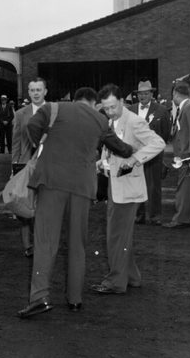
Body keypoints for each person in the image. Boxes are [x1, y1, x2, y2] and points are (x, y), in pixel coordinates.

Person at [16, 88, 134, 317]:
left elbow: (30, 126)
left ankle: (40, 297)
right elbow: (119, 147)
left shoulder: (53, 108)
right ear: (93, 102)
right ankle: (75, 300)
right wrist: (135, 149)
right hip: (82, 186)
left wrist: (42, 144)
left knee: (45, 242)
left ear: (74, 98)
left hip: (51, 182)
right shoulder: (100, 119)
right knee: (77, 243)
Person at [89, 85, 165, 295]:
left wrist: (134, 159)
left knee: (115, 236)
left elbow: (158, 143)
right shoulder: (112, 121)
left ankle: (115, 282)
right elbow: (111, 149)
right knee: (121, 236)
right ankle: (132, 277)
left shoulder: (134, 121)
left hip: (128, 187)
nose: (110, 111)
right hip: (116, 185)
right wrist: (101, 162)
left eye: (113, 106)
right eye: (106, 108)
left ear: (122, 101)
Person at [12, 78, 48, 257]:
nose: (35, 93)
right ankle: (29, 245)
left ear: (45, 91)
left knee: (46, 205)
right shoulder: (20, 114)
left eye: (39, 90)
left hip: (49, 165)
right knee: (26, 205)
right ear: (28, 92)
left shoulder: (55, 112)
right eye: (32, 90)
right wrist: (14, 167)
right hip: (25, 165)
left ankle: (43, 242)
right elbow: (16, 141)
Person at [128, 80, 171, 225]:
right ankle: (138, 216)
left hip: (154, 154)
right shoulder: (130, 109)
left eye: (146, 93)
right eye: (140, 93)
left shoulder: (161, 110)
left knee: (154, 187)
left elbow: (165, 133)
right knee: (136, 185)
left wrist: (155, 148)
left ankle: (155, 216)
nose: (143, 96)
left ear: (151, 94)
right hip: (135, 154)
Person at [163, 83, 190, 229]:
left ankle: (181, 218)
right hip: (187, 153)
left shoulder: (189, 107)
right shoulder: (186, 107)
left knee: (184, 187)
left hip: (187, 154)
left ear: (175, 94)